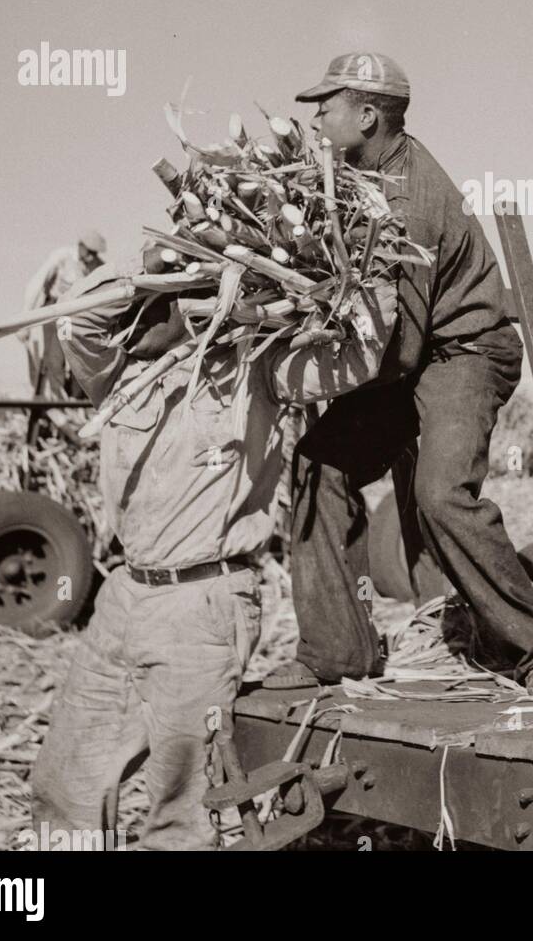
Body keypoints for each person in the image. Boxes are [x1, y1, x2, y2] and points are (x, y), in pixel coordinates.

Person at [29, 251, 396, 850]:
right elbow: (78, 320)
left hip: (204, 604)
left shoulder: (254, 375)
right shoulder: (117, 379)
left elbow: (354, 360)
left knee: (178, 806)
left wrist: (365, 278)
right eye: (139, 308)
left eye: (157, 308)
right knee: (64, 783)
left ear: (198, 309)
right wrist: (141, 272)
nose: (139, 322)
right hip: (124, 598)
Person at [264, 52, 533, 696]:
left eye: (329, 104)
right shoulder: (359, 174)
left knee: (440, 495)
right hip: (409, 359)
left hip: (465, 352)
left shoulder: (410, 202)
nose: (316, 115)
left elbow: (399, 350)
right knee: (317, 464)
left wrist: (300, 375)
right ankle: (335, 653)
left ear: (368, 115)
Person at [23, 230, 107, 395]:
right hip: (53, 309)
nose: (91, 257)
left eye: (94, 253)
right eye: (90, 252)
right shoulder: (61, 257)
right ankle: (56, 398)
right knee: (55, 357)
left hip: (72, 314)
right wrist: (25, 316)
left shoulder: (95, 265)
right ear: (81, 246)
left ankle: (74, 398)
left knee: (75, 355)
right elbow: (37, 283)